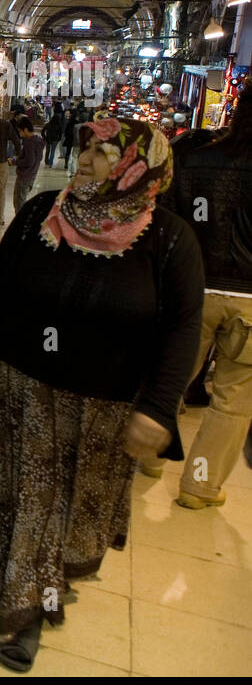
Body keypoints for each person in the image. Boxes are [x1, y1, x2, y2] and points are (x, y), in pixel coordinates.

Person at [0, 118, 203, 672]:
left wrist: (160, 407)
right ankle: (26, 612)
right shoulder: (41, 214)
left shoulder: (167, 239)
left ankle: (36, 590)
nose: (86, 159)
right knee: (30, 502)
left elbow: (183, 328)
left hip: (106, 407)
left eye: (103, 152)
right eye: (88, 148)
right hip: (24, 388)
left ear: (138, 168)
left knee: (72, 513)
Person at [147, 95, 252, 509]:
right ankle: (199, 485)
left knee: (172, 374)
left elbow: (167, 215)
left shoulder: (195, 157)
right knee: (233, 400)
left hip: (193, 286)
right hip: (250, 303)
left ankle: (151, 455)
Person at [11, 115, 43, 211]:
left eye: (20, 131)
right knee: (21, 201)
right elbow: (37, 158)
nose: (20, 134)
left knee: (19, 203)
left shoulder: (29, 142)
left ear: (25, 130)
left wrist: (15, 161)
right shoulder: (39, 140)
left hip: (24, 176)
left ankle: (20, 224)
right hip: (32, 175)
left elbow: (29, 161)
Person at [42, 103, 65, 167]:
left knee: (47, 150)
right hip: (55, 140)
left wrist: (44, 136)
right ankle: (51, 163)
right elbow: (60, 133)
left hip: (48, 139)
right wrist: (59, 139)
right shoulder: (59, 126)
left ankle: (46, 161)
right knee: (52, 151)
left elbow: (43, 131)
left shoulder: (48, 124)